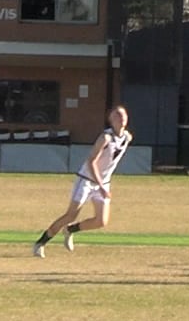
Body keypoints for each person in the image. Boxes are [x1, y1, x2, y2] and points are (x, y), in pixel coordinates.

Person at [33, 106, 133, 257]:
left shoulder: (127, 137)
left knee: (101, 221)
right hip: (87, 180)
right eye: (117, 115)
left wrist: (103, 184)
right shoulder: (105, 138)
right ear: (111, 120)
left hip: (103, 182)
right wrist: (100, 185)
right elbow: (91, 161)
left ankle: (70, 230)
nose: (121, 117)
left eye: (123, 114)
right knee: (70, 215)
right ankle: (40, 242)